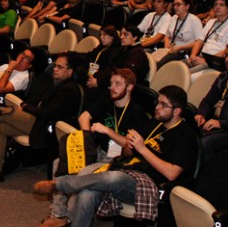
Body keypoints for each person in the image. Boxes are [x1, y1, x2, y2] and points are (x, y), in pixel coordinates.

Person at [32, 86, 199, 227]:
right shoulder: (155, 124)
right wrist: (129, 146)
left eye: (164, 105)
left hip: (149, 184)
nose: (157, 107)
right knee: (87, 193)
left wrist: (142, 149)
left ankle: (60, 184)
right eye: (158, 103)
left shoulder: (186, 136)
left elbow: (172, 173)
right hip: (127, 169)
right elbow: (128, 154)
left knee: (113, 178)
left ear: (177, 111)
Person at [0, 53, 82, 184]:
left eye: (60, 67)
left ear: (70, 71)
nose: (55, 69)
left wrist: (25, 106)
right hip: (38, 120)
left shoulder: (68, 89)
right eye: (55, 66)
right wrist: (30, 106)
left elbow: (46, 112)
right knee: (2, 128)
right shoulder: (56, 83)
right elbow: (41, 105)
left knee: (1, 111)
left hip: (46, 127)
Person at [39, 68, 147, 227]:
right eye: (111, 83)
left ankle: (67, 214)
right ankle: (59, 214)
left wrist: (108, 131)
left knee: (83, 174)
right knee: (59, 163)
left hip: (116, 161)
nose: (112, 87)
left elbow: (131, 146)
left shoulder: (137, 113)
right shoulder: (106, 99)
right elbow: (84, 117)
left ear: (130, 87)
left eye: (118, 84)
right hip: (97, 151)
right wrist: (86, 142)